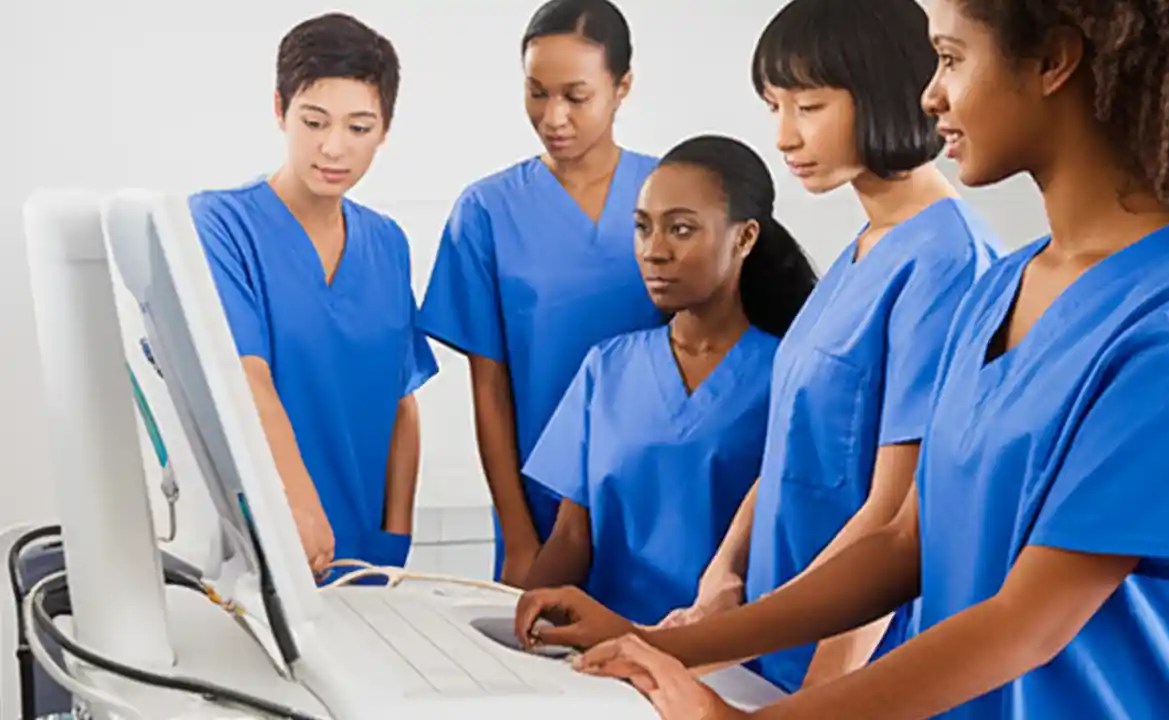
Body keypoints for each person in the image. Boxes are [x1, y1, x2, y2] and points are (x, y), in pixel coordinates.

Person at [515, 0, 1169, 717]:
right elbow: (905, 542)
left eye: (950, 59)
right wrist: (659, 642)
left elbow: (1030, 622)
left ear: (1052, 61)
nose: (930, 98)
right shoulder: (1002, 289)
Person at [648, 0, 997, 692]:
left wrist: (828, 687)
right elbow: (793, 454)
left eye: (807, 106)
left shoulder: (948, 262)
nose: (782, 135)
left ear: (886, 92)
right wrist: (724, 580)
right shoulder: (860, 254)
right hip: (780, 647)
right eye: (774, 106)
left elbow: (897, 520)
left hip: (861, 663)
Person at [520, 135, 818, 627]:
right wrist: (515, 623)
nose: (654, 251)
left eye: (680, 229)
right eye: (642, 228)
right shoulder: (607, 368)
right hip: (602, 652)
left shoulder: (790, 376)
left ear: (744, 238)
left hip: (730, 660)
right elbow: (572, 539)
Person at [416, 0, 663, 586]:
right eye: (536, 92)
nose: (554, 116)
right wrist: (519, 535)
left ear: (621, 87)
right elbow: (491, 388)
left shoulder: (673, 196)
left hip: (663, 501)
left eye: (576, 96)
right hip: (542, 509)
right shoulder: (487, 211)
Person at [190, 13, 435, 581]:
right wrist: (297, 509)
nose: (333, 148)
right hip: (270, 548)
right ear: (280, 110)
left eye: (359, 127)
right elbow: (245, 376)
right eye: (314, 121)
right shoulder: (221, 225)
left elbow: (402, 401)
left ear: (385, 129)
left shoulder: (386, 243)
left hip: (364, 560)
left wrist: (395, 540)